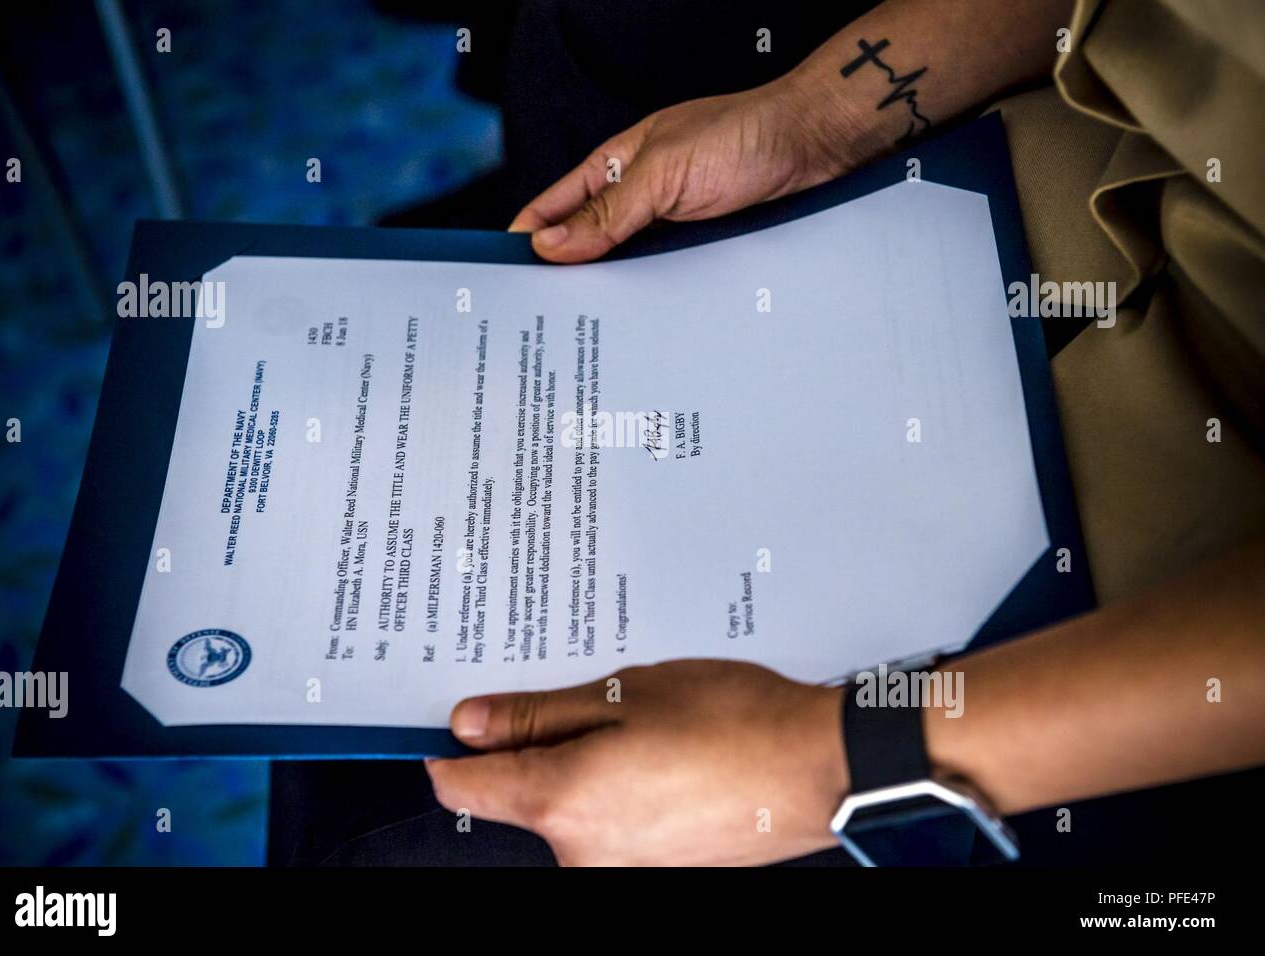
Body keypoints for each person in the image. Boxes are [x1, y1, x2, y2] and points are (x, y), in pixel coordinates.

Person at [270, 0, 1265, 865]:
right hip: (1067, 148)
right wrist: (816, 118)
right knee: (585, 42)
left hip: (1169, 617)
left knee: (411, 828)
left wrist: (821, 760)